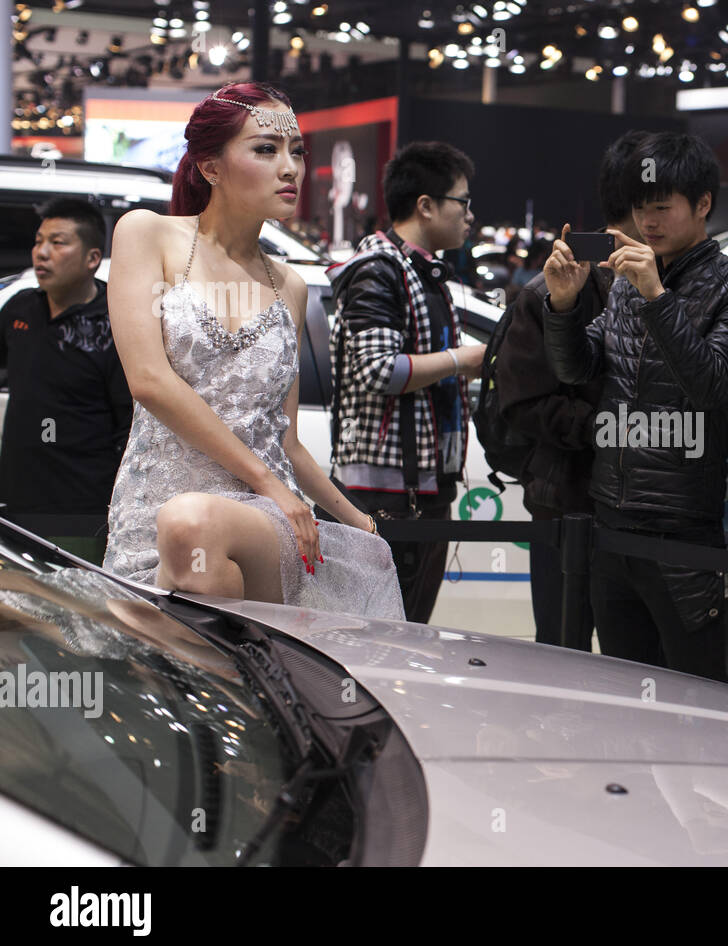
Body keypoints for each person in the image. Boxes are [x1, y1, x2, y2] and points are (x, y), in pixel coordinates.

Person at [102, 83, 402, 618]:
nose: (290, 168)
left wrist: (355, 520)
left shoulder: (291, 285)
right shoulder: (147, 235)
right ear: (210, 167)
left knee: (195, 526)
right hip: (149, 515)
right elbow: (148, 380)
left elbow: (282, 440)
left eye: (297, 152)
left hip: (262, 519)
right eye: (266, 149)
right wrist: (271, 482)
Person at [543, 132, 728, 680]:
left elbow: (711, 387)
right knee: (623, 698)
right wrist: (563, 305)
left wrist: (657, 297)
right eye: (641, 209)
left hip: (682, 531)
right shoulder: (625, 280)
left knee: (695, 701)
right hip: (610, 523)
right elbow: (577, 369)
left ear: (704, 204)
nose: (648, 223)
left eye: (662, 208)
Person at [496, 129, 649, 650]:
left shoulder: (664, 284)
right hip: (568, 503)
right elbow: (524, 403)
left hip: (645, 507)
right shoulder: (549, 289)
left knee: (638, 662)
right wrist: (613, 431)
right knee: (563, 655)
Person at [328, 141, 487, 624]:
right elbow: (380, 370)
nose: (470, 215)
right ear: (425, 205)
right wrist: (462, 360)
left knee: (405, 633)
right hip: (387, 497)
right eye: (462, 202)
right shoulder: (380, 271)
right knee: (381, 641)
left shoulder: (422, 272)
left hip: (418, 491)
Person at [0, 199, 132, 564]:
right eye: (38, 240)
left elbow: (130, 425)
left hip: (83, 512)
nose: (41, 253)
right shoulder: (20, 308)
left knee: (76, 615)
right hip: (15, 505)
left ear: (92, 258)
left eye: (57, 243)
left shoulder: (116, 321)